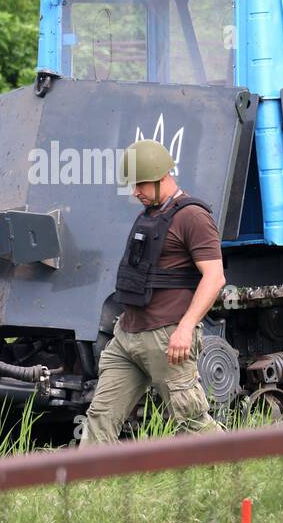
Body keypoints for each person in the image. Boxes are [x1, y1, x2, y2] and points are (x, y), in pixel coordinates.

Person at [81, 139, 226, 445]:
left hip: (166, 338)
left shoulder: (193, 216)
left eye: (141, 185)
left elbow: (214, 277)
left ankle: (242, 477)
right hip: (127, 335)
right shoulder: (150, 213)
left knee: (191, 421)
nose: (135, 192)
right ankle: (88, 490)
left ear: (162, 177)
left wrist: (185, 329)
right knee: (100, 418)